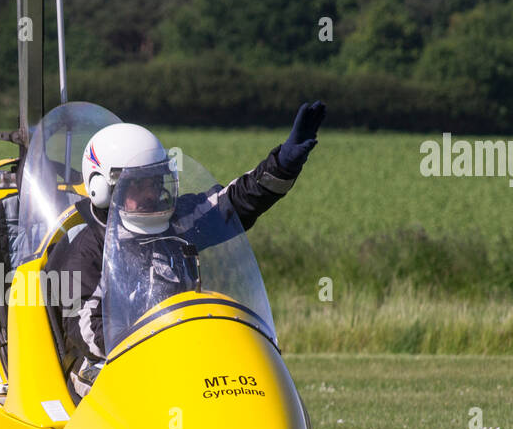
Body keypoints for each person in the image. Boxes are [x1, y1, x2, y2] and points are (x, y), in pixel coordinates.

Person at [44, 100, 326, 401]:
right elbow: (86, 331)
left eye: (156, 181)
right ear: (103, 189)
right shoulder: (81, 253)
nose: (152, 194)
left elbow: (236, 202)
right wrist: (158, 343)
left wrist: (284, 163)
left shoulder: (174, 221)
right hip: (108, 381)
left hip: (177, 362)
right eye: (139, 186)